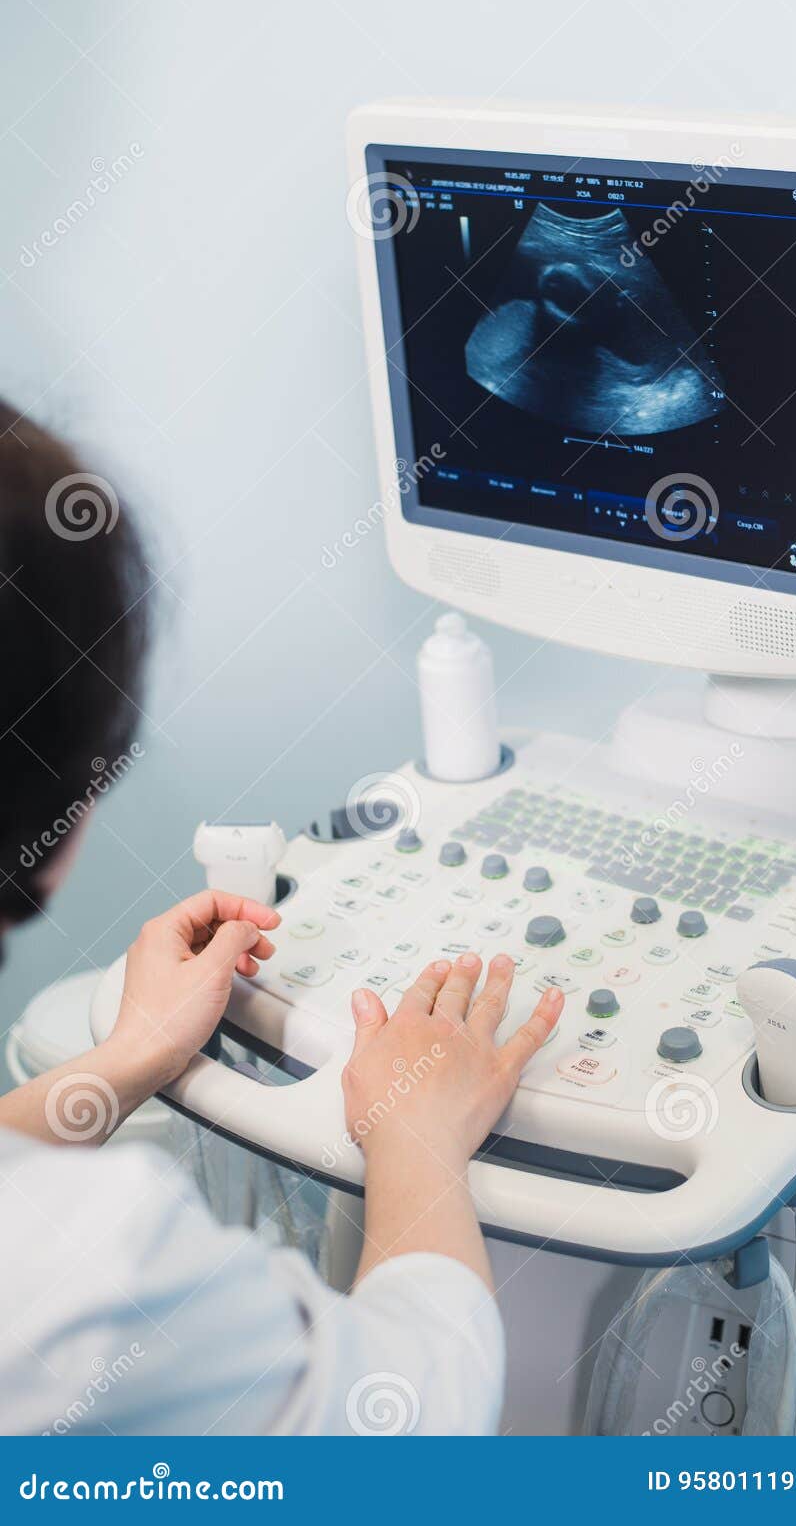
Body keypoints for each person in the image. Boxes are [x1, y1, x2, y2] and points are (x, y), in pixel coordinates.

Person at [0, 397, 563, 1435]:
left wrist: (123, 1057)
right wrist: (417, 1142)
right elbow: (409, 1429)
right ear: (69, 811)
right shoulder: (91, 1275)